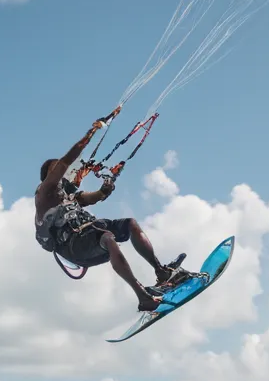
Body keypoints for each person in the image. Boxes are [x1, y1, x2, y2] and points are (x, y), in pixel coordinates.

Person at [35, 108, 186, 311]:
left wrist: (105, 189)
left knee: (130, 224)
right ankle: (143, 297)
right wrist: (91, 133)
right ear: (48, 175)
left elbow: (95, 197)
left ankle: (161, 272)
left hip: (89, 233)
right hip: (73, 246)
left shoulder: (69, 194)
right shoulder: (45, 193)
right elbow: (65, 161)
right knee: (106, 237)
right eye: (58, 170)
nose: (65, 172)